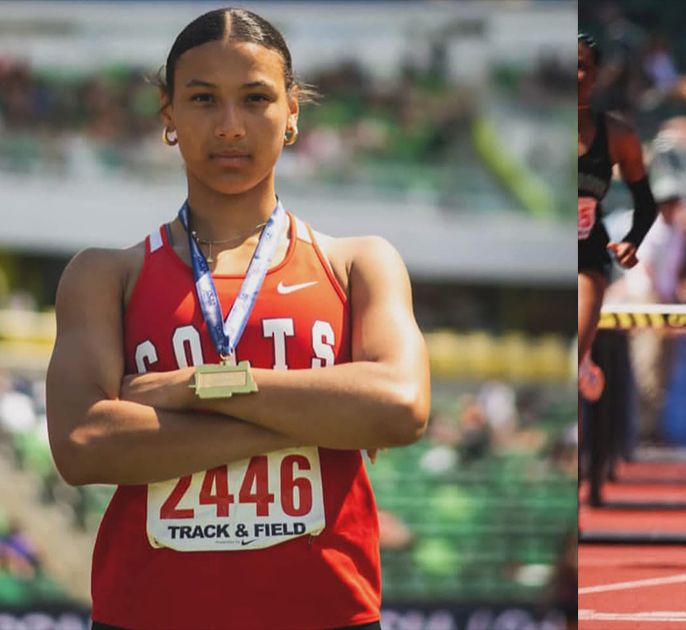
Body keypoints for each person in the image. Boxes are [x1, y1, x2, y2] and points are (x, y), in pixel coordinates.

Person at [44, 9, 429, 629]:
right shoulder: (104, 276)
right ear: (168, 114)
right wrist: (315, 420)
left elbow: (402, 407)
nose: (230, 126)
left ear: (293, 110)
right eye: (203, 99)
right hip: (147, 616)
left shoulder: (360, 263)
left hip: (325, 614)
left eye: (255, 99)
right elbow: (84, 447)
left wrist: (195, 388)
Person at [577, 33, 658, 402]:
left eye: (580, 67)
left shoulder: (617, 135)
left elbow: (646, 203)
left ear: (594, 78)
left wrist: (632, 242)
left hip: (586, 253)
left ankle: (581, 358)